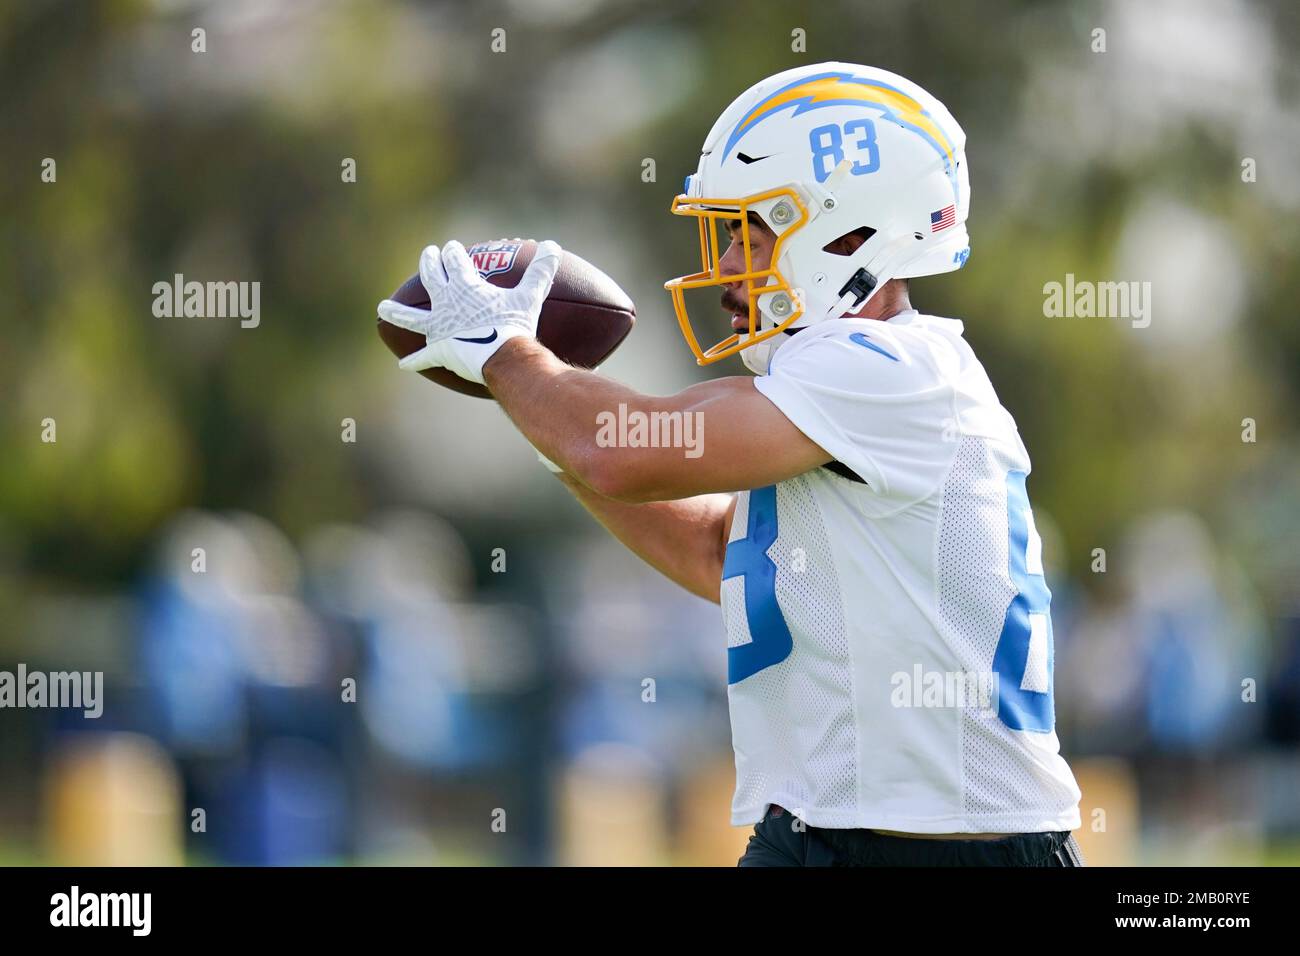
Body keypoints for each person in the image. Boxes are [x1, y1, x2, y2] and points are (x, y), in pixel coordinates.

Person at [378, 62, 1084, 866]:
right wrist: (550, 426)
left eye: (752, 231)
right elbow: (722, 552)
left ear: (851, 235)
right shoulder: (853, 377)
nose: (728, 267)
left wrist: (508, 356)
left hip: (944, 847)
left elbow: (621, 447)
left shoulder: (886, 366)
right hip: (823, 829)